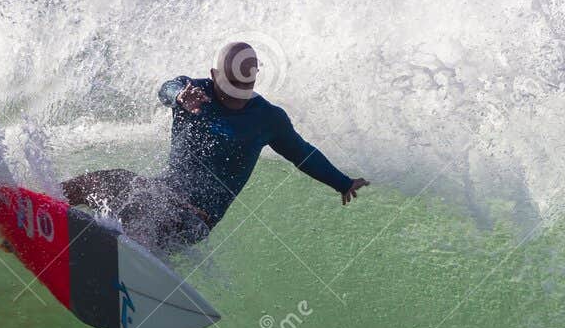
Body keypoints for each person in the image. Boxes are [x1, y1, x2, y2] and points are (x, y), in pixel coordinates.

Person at [62, 42, 368, 252]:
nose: (237, 99)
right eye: (230, 91)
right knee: (104, 181)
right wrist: (180, 95)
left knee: (146, 209)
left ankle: (130, 267)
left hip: (196, 218)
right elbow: (165, 89)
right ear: (212, 76)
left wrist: (342, 182)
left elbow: (303, 154)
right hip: (160, 193)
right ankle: (35, 210)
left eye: (242, 92)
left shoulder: (267, 119)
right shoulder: (191, 90)